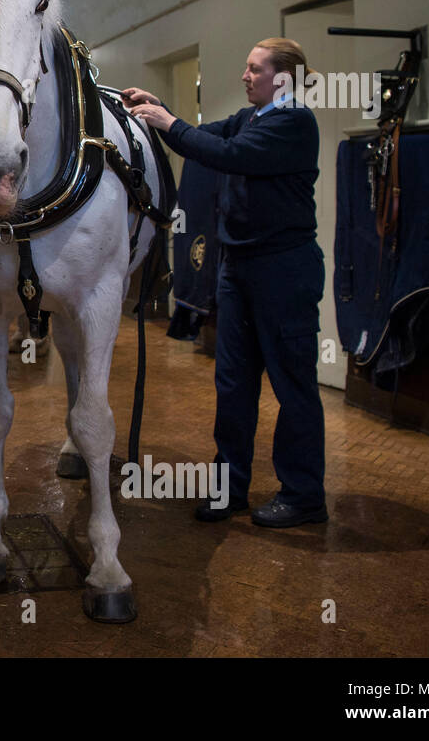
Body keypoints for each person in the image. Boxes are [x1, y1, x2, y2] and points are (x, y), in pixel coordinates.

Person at [123, 39, 328, 528]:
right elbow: (201, 139)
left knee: (292, 385)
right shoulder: (252, 116)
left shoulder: (294, 120)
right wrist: (158, 109)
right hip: (239, 268)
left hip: (283, 270)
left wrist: (167, 122)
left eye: (254, 69)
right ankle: (229, 488)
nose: (245, 76)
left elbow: (227, 154)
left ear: (281, 79)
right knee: (233, 383)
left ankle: (303, 496)